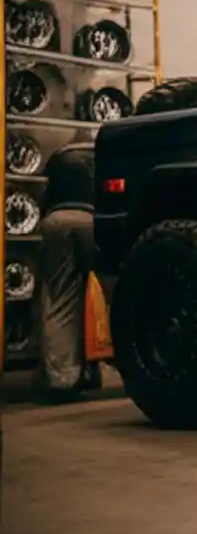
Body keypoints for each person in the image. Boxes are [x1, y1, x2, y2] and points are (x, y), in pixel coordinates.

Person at [35, 137, 99, 398]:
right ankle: (129, 370)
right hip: (94, 221)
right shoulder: (102, 153)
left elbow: (43, 196)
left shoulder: (60, 155)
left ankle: (63, 379)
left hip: (58, 220)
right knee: (112, 296)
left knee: (61, 299)